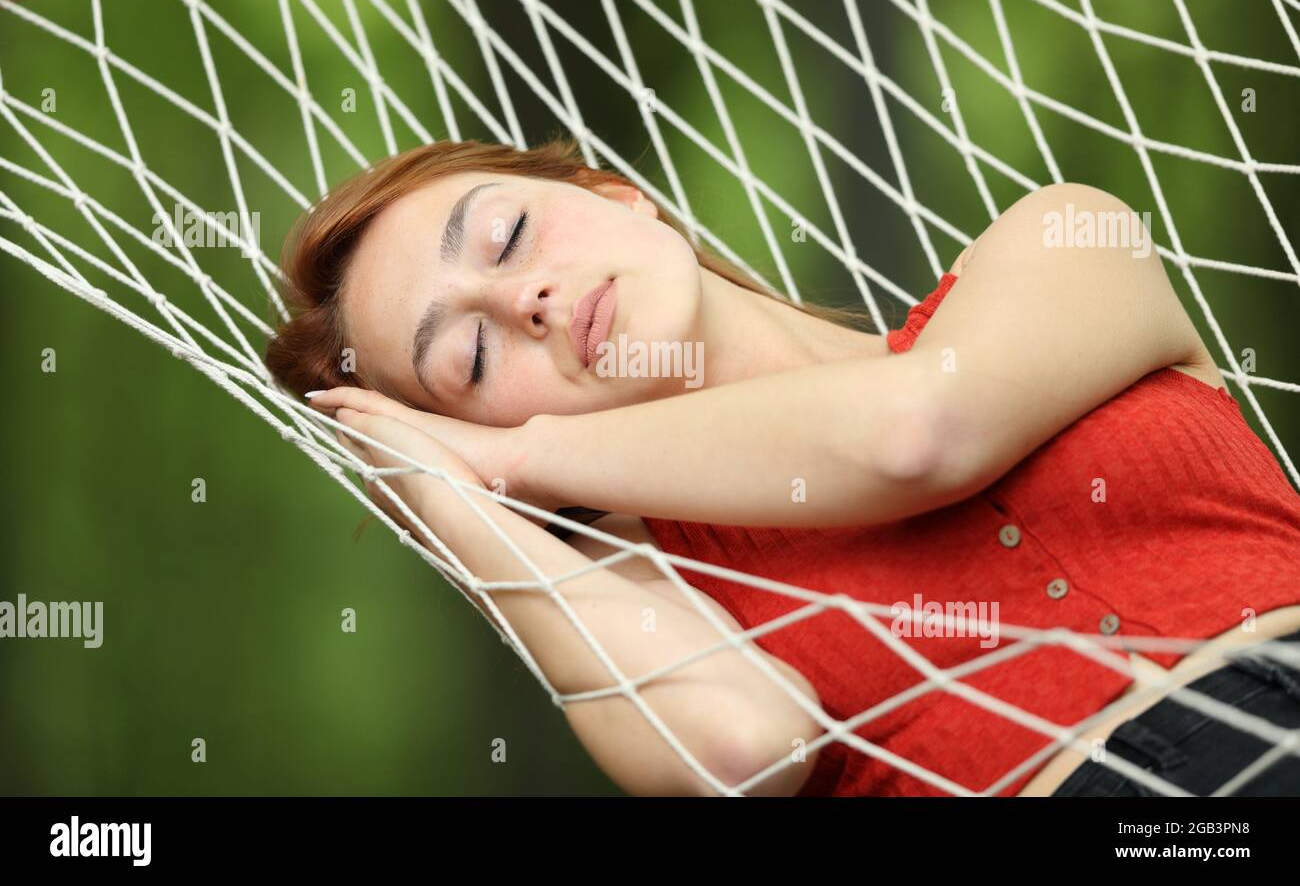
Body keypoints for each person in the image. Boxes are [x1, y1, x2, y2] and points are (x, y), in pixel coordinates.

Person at [264, 135, 1300, 796]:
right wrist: (460, 503)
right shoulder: (644, 587)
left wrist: (514, 449)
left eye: (507, 234)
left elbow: (917, 431)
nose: (522, 298)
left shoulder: (1053, 245)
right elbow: (740, 750)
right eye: (472, 358)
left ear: (619, 195)